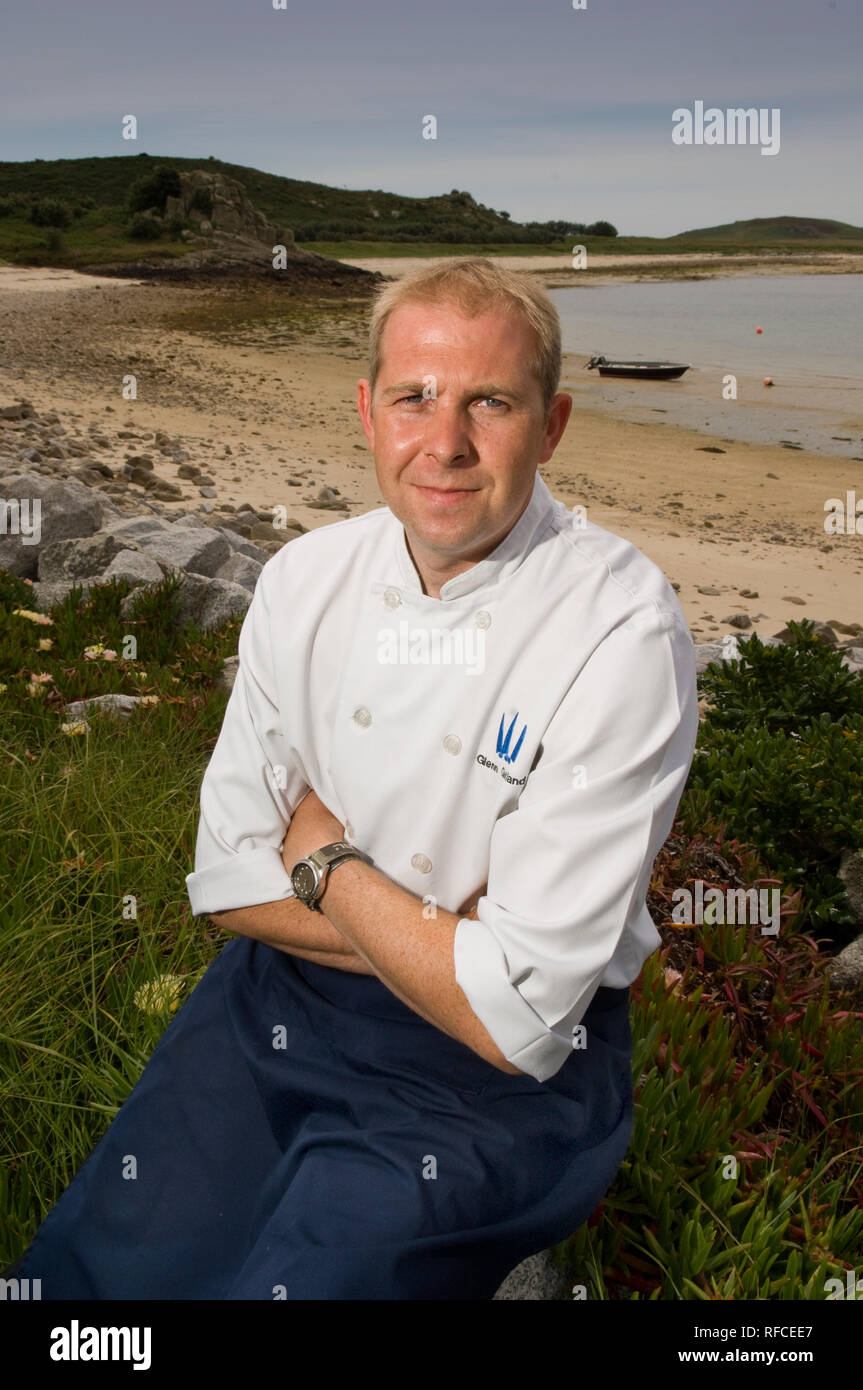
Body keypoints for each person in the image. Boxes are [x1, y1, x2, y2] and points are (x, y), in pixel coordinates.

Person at [7, 256, 698, 1300]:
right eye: (414, 398)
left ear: (550, 427)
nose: (445, 444)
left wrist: (324, 861)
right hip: (272, 1006)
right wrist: (455, 944)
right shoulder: (306, 580)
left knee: (314, 1280)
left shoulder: (618, 628)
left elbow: (516, 1021)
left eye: (490, 403)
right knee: (102, 1282)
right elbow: (228, 883)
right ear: (367, 412)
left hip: (487, 1091)